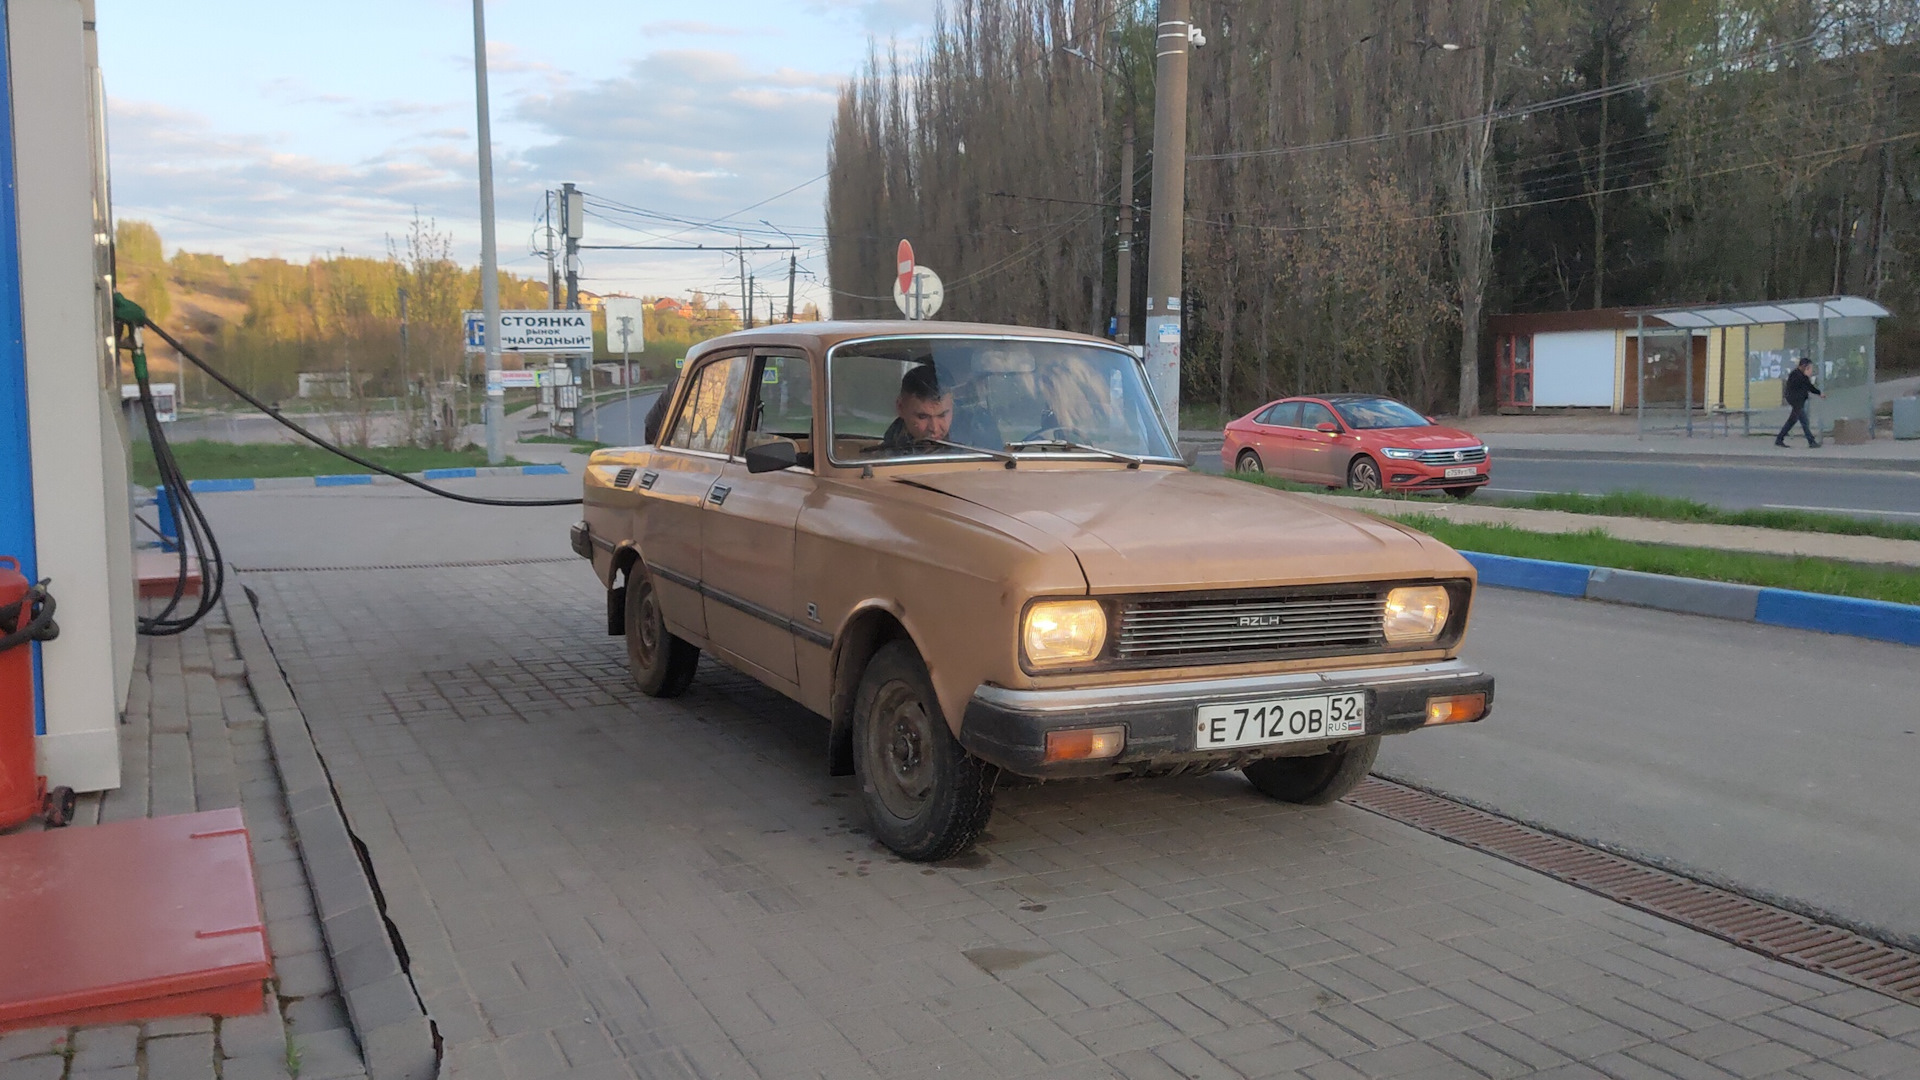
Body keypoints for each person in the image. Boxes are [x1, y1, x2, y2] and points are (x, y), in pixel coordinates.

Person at [880, 364, 953, 450]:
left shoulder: (967, 442)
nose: (934, 428)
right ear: (901, 408)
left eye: (942, 415)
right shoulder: (885, 454)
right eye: (922, 416)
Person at [1777, 357, 1823, 448]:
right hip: (1796, 401)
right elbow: (1807, 386)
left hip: (1798, 401)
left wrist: (1819, 393)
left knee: (1792, 421)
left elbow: (1809, 387)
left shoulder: (1801, 375)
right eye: (1809, 368)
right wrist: (1818, 393)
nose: (1810, 370)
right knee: (1804, 421)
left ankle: (1779, 439)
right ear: (1804, 367)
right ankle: (1811, 441)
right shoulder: (1797, 375)